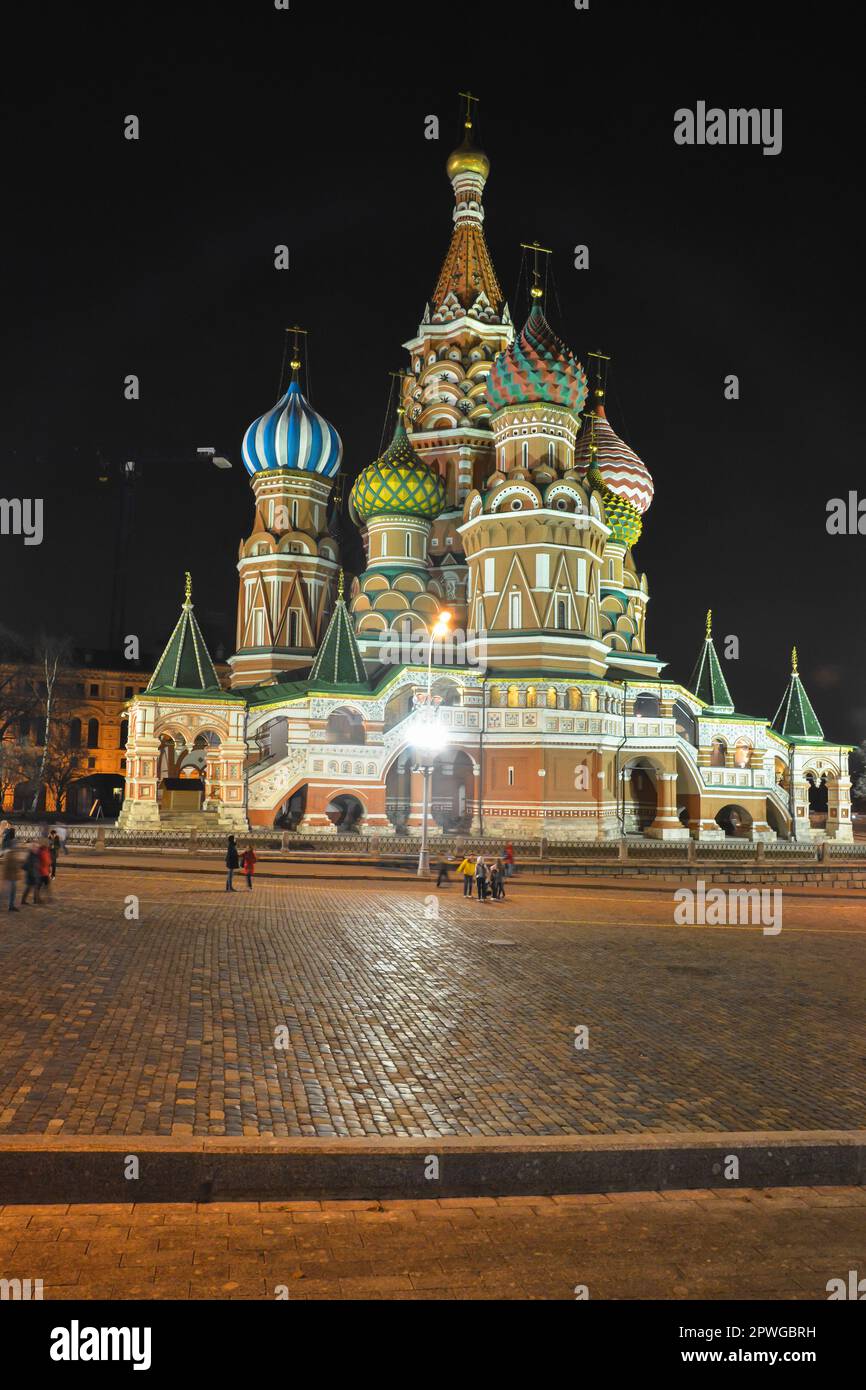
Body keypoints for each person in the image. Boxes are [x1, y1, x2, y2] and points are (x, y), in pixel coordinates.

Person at [1, 843, 19, 912]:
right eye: (15, 846)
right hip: (8, 877)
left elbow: (15, 865)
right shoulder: (9, 854)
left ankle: (11, 906)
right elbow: (5, 868)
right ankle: (10, 906)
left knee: (12, 893)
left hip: (13, 877)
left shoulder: (14, 854)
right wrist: (4, 878)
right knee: (5, 893)